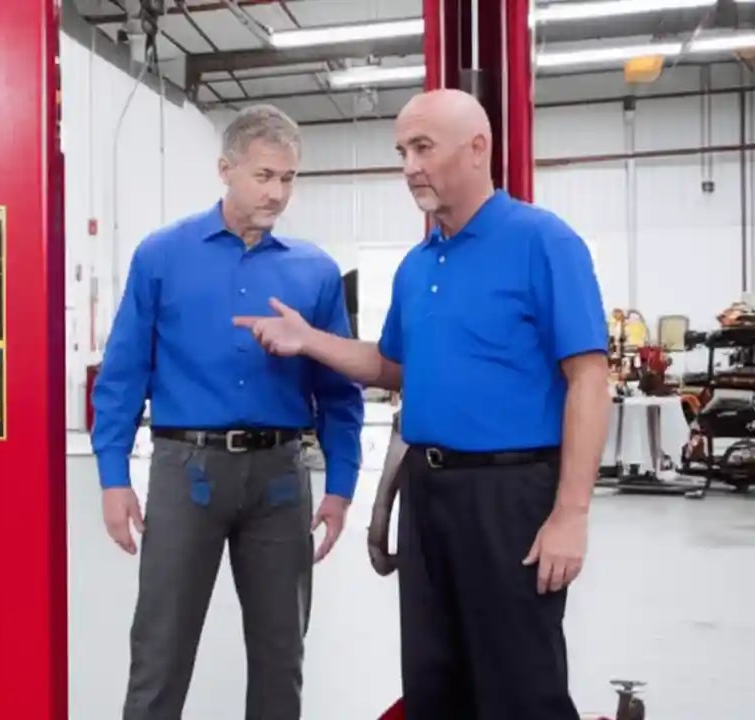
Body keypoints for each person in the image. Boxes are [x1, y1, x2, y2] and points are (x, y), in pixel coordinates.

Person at [234, 89, 610, 720]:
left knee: (519, 683)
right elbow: (392, 366)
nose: (409, 165)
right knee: (434, 677)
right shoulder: (416, 265)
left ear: (478, 147)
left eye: (423, 147)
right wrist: (310, 341)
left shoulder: (542, 241)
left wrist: (570, 513)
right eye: (402, 151)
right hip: (429, 495)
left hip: (511, 496)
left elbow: (589, 379)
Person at [90, 104, 364, 720]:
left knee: (280, 654)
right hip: (185, 473)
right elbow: (123, 374)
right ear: (226, 169)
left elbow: (339, 389)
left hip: (279, 479)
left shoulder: (314, 272)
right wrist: (113, 478)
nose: (277, 193)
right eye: (264, 176)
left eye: (289, 179)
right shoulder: (161, 256)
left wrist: (341, 486)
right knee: (160, 649)